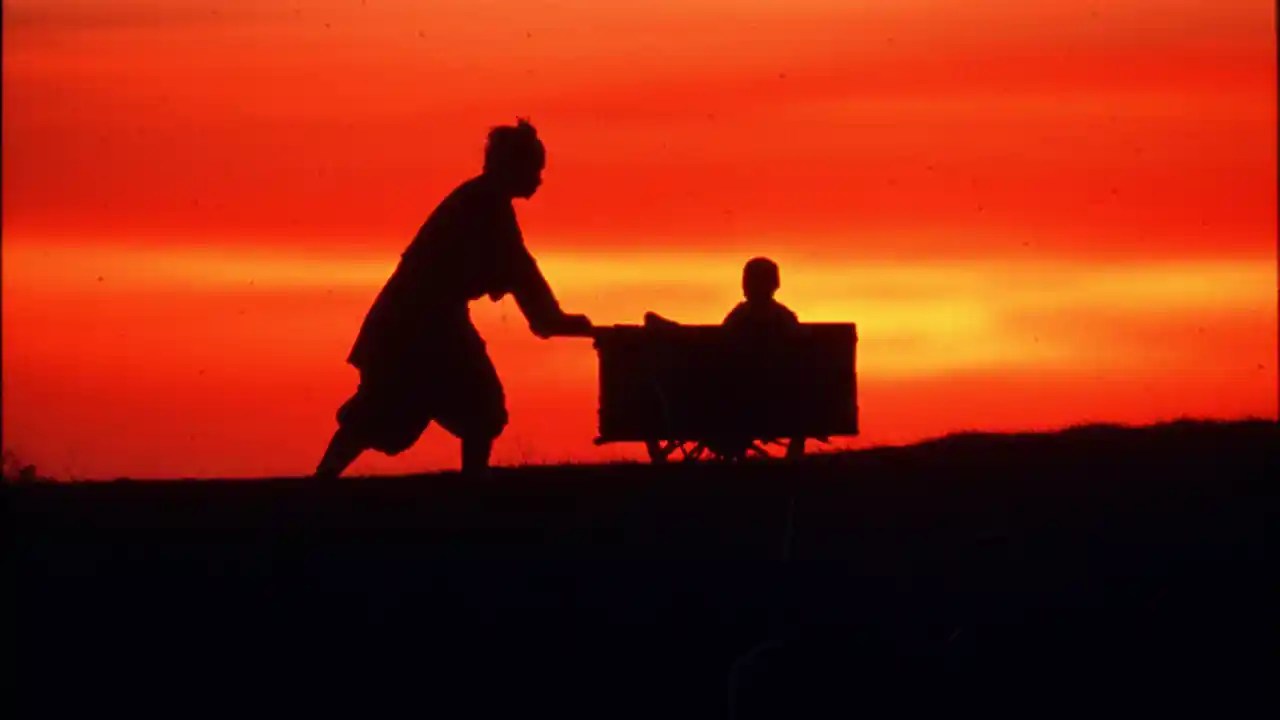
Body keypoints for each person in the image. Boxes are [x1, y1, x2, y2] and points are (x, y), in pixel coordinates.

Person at [315, 119, 591, 479]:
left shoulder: (482, 201)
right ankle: (325, 481)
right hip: (417, 324)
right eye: (534, 169)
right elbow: (521, 271)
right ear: (513, 167)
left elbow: (518, 270)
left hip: (429, 321)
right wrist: (555, 319)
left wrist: (551, 319)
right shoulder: (484, 206)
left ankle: (468, 482)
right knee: (431, 409)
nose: (539, 178)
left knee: (468, 407)